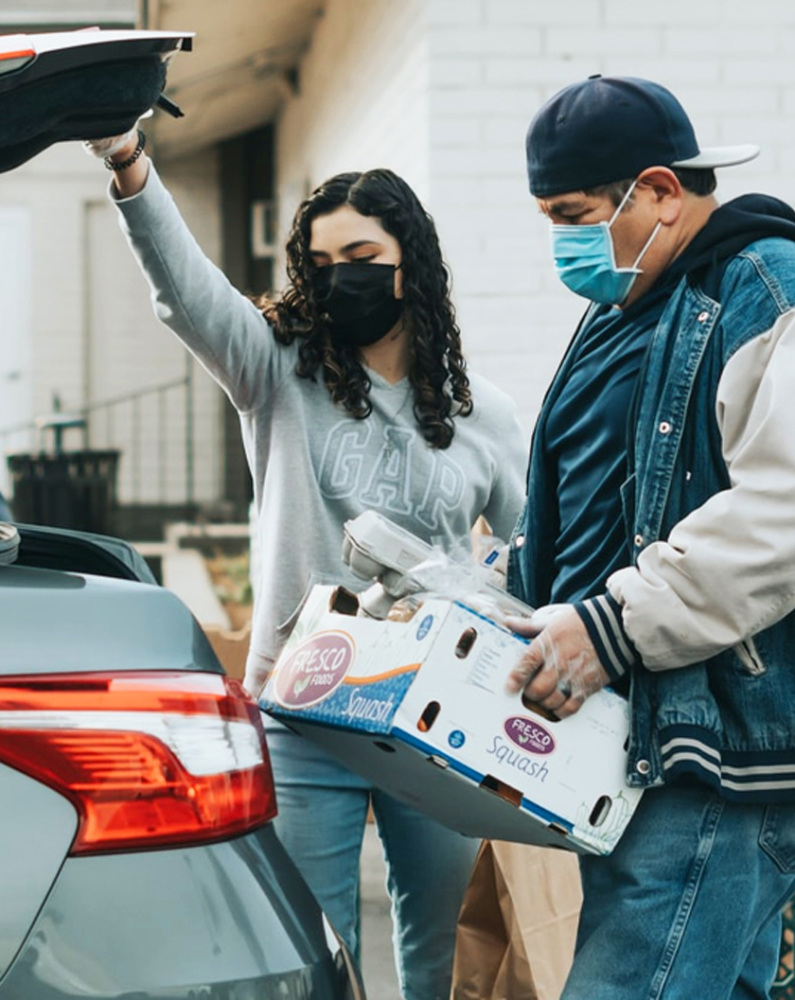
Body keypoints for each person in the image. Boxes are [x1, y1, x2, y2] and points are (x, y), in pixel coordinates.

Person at [83, 126, 527, 1000]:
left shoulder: (486, 415)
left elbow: (526, 552)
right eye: (321, 262)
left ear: (412, 263)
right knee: (308, 953)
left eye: (361, 254)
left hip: (433, 714)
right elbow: (188, 295)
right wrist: (131, 164)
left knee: (444, 946)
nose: (340, 278)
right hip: (306, 704)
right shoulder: (277, 370)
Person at [504, 74, 795, 1000]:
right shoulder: (627, 305)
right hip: (640, 738)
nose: (563, 240)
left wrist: (608, 626)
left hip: (710, 748)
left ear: (661, 190)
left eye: (575, 213)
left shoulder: (761, 289)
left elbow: (781, 509)